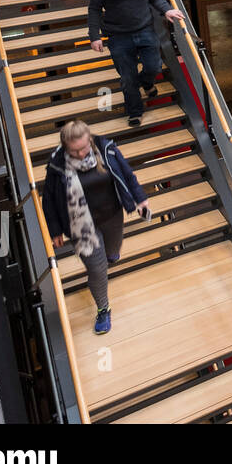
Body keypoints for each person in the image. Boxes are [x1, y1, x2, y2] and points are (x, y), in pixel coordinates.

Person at [43, 120, 150, 334]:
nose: (82, 154)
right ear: (65, 147)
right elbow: (49, 200)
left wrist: (140, 199)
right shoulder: (57, 166)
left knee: (113, 250)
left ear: (89, 140)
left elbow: (128, 175)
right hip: (81, 227)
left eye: (84, 147)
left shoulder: (106, 150)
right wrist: (54, 231)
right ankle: (103, 308)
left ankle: (110, 254)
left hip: (112, 215)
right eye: (75, 151)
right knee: (97, 269)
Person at [88, 0, 185, 127]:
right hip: (118, 37)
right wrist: (94, 35)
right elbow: (94, 9)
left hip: (144, 30)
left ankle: (147, 84)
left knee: (154, 66)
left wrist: (167, 10)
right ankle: (135, 112)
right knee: (128, 77)